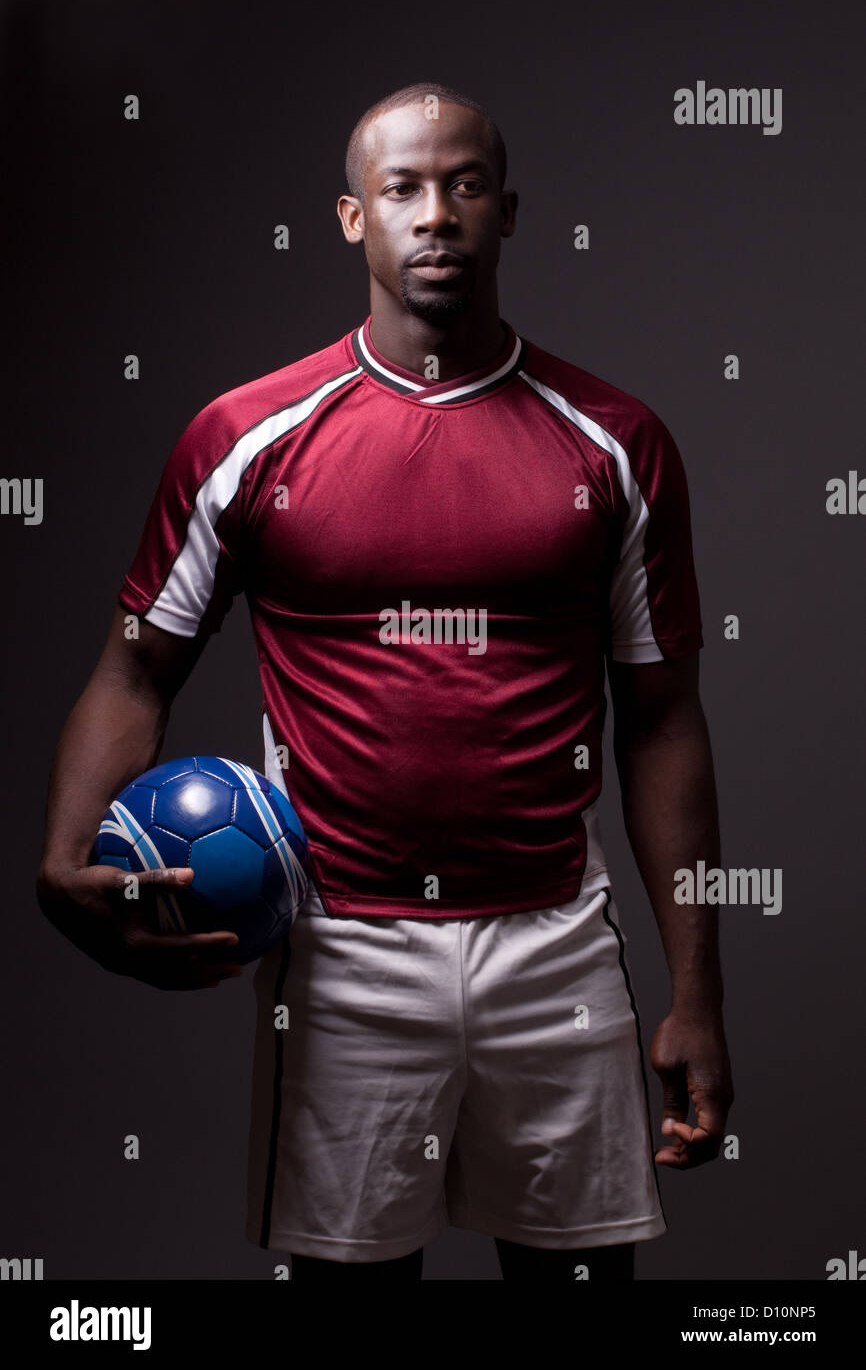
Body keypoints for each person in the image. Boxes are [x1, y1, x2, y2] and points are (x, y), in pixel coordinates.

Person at [36, 81, 734, 1282]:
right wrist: (61, 861)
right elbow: (134, 668)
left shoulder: (615, 440)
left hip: (554, 943)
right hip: (342, 946)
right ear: (351, 217)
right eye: (402, 188)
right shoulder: (246, 437)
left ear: (505, 212)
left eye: (463, 185)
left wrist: (696, 991)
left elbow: (660, 718)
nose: (435, 215)